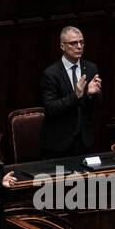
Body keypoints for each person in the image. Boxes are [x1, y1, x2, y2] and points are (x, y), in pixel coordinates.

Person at [39, 25, 101, 158]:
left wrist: (91, 94)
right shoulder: (51, 74)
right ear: (62, 46)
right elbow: (51, 108)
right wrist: (75, 96)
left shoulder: (90, 68)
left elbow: (98, 104)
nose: (79, 46)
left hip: (84, 142)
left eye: (82, 42)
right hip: (58, 145)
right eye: (74, 43)